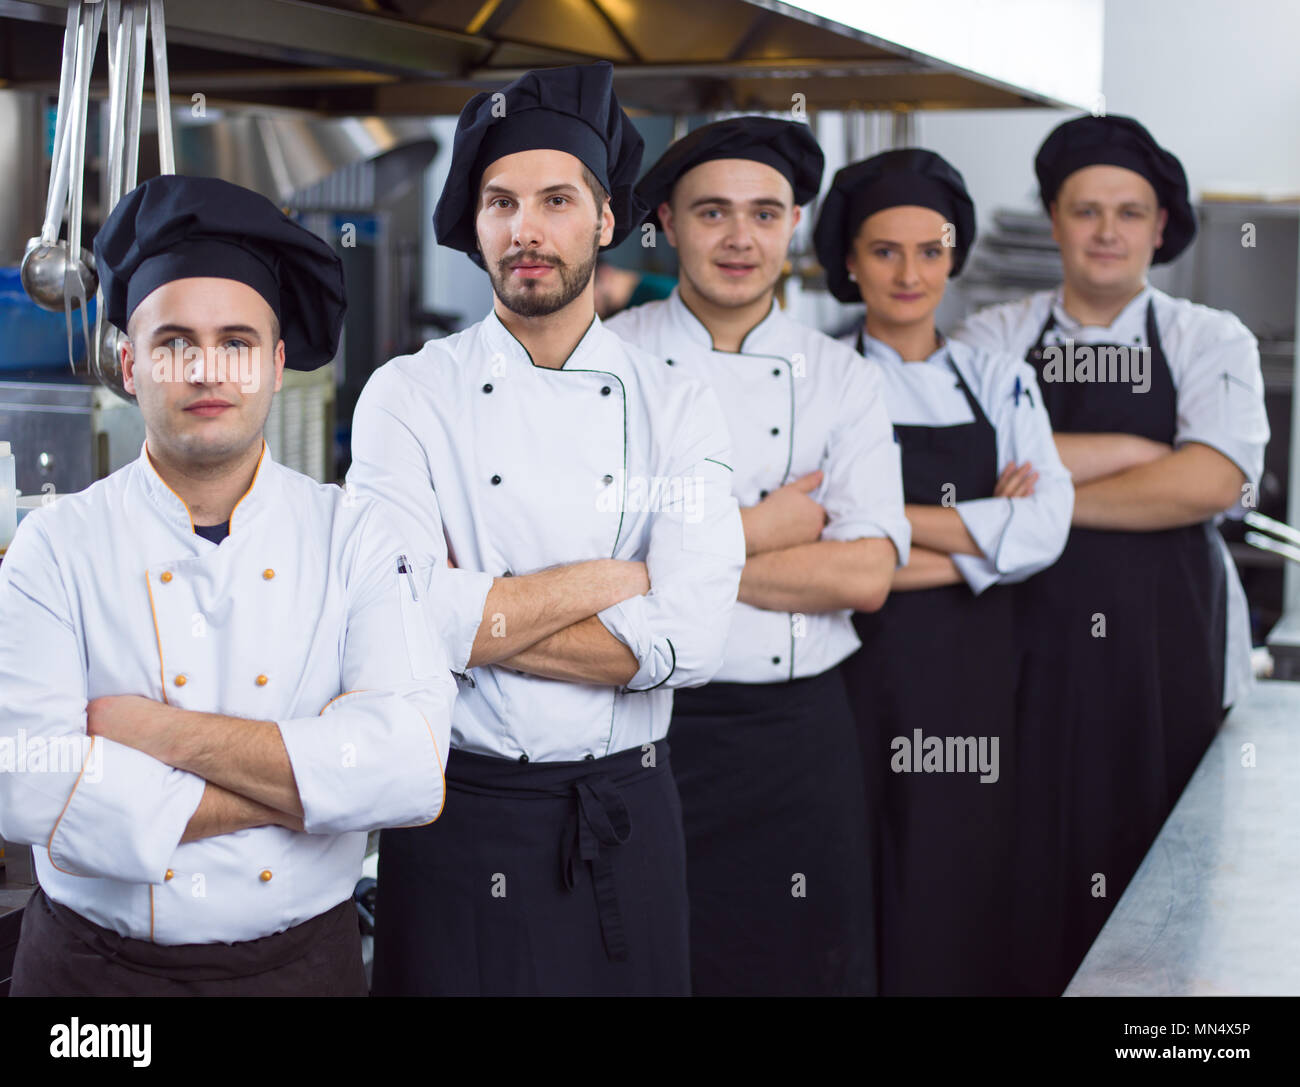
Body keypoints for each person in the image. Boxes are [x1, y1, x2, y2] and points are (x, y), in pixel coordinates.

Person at [0, 175, 455, 997]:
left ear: (277, 365)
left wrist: (158, 736)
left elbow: (412, 768)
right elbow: (25, 778)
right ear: (130, 364)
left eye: (238, 340)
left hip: (297, 971)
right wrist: (314, 787)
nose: (208, 367)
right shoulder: (53, 547)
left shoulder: (353, 536)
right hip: (92, 978)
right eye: (175, 341)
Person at [347, 61, 746, 997]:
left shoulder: (678, 402)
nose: (526, 229)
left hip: (626, 813)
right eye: (501, 201)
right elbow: (397, 623)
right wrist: (618, 578)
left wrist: (477, 617)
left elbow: (694, 636)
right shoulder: (407, 394)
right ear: (476, 224)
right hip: (457, 816)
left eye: (557, 199)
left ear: (606, 220)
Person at [953, 114, 1270, 993]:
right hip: (1018, 648)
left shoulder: (1211, 338)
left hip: (1164, 646)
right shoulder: (990, 338)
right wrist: (1142, 451)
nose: (1106, 231)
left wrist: (1044, 496)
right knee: (1021, 847)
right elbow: (973, 468)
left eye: (1129, 212)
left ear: (1159, 227)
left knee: (1161, 852)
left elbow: (1212, 481)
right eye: (1086, 210)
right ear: (1053, 219)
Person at [605, 117, 908, 996]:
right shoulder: (610, 361)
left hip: (798, 736)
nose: (741, 238)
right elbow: (582, 562)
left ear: (793, 226)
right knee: (659, 963)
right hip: (649, 732)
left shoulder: (843, 376)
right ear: (667, 220)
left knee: (807, 966)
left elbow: (865, 574)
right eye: (712, 213)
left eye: (765, 214)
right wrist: (773, 527)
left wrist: (685, 555)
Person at [813, 148, 1073, 996]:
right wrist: (977, 542)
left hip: (973, 680)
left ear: (954, 256)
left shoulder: (998, 379)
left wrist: (877, 531)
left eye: (931, 250)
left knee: (960, 877)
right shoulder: (819, 380)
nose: (910, 271)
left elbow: (1043, 526)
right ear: (849, 261)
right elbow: (805, 539)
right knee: (850, 869)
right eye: (885, 250)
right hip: (846, 669)